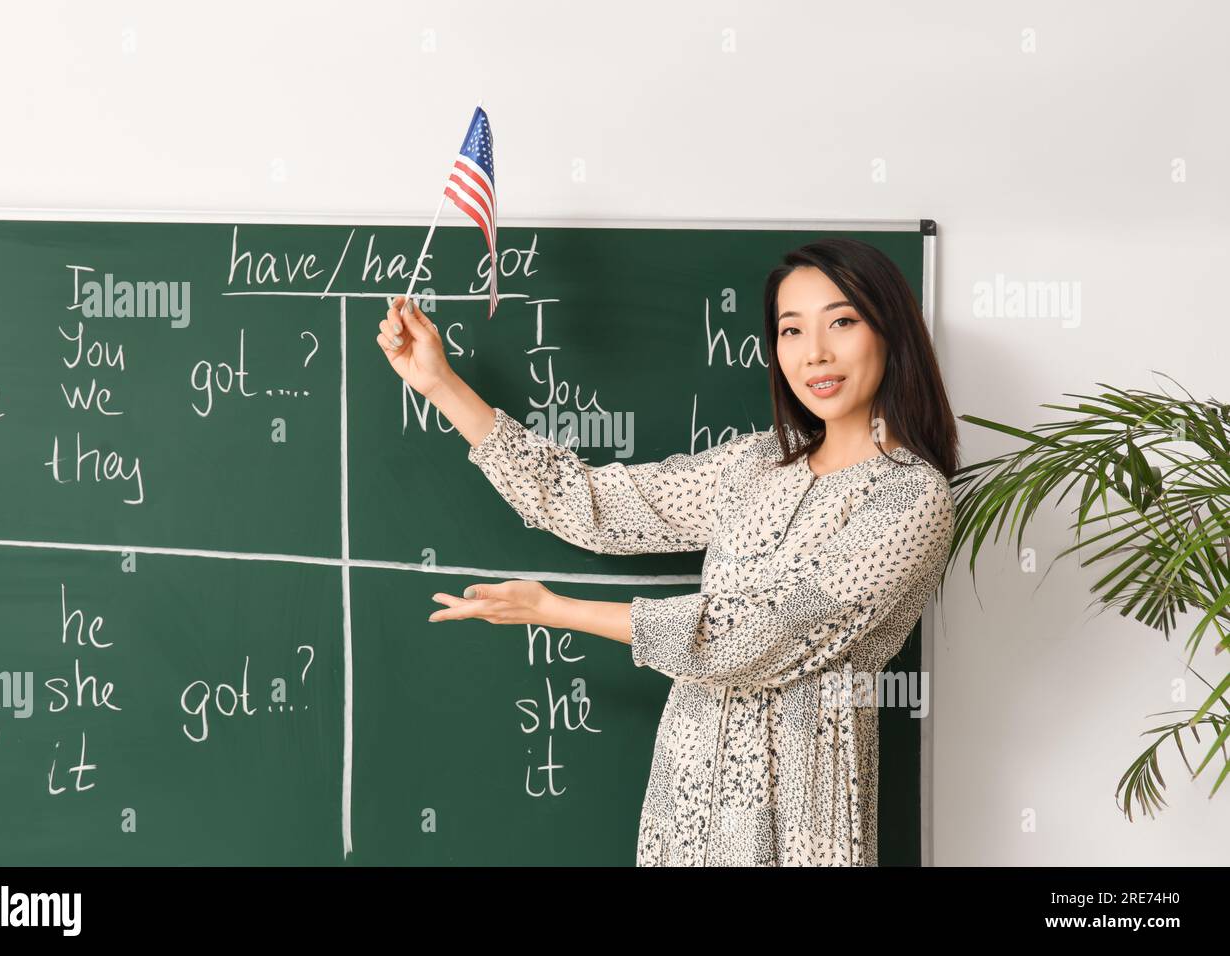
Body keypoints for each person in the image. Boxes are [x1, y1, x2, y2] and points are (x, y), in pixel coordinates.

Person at [375, 237, 958, 866]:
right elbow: (592, 505)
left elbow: (752, 637)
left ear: (890, 330)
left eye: (841, 322)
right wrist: (440, 384)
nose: (814, 352)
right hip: (685, 805)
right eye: (791, 330)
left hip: (801, 814)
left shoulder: (911, 497)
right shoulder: (757, 462)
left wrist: (555, 608)